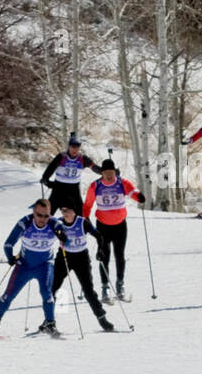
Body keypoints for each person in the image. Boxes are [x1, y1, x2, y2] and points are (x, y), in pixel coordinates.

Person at [0, 199, 60, 337]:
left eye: (46, 216)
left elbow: (65, 237)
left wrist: (63, 236)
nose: (42, 219)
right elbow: (8, 244)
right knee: (7, 296)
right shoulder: (24, 223)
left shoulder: (54, 223)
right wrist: (10, 257)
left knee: (47, 294)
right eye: (39, 215)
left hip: (45, 265)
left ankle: (50, 323)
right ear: (33, 212)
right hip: (24, 266)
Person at [82, 158, 143, 303]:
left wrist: (139, 197)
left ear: (115, 172)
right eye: (106, 173)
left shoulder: (122, 182)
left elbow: (133, 191)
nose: (109, 176)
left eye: (111, 173)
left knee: (119, 255)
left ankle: (120, 286)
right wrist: (86, 219)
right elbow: (87, 205)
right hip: (103, 226)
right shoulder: (95, 186)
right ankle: (105, 289)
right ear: (102, 173)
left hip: (120, 226)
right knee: (104, 256)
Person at [52, 206, 114, 331]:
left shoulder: (82, 222)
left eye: (67, 210)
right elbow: (51, 233)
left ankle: (102, 318)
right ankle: (49, 321)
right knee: (52, 288)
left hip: (81, 258)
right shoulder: (59, 223)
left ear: (74, 211)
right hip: (64, 257)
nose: (65, 214)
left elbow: (98, 236)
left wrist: (100, 250)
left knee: (88, 291)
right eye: (62, 211)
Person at [39, 133, 102, 218]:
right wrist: (45, 180)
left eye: (77, 147)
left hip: (74, 190)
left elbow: (95, 168)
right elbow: (50, 169)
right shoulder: (61, 157)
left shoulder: (83, 159)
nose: (75, 150)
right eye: (73, 147)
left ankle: (85, 229)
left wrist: (108, 172)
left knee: (82, 214)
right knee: (48, 214)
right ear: (69, 146)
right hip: (58, 189)